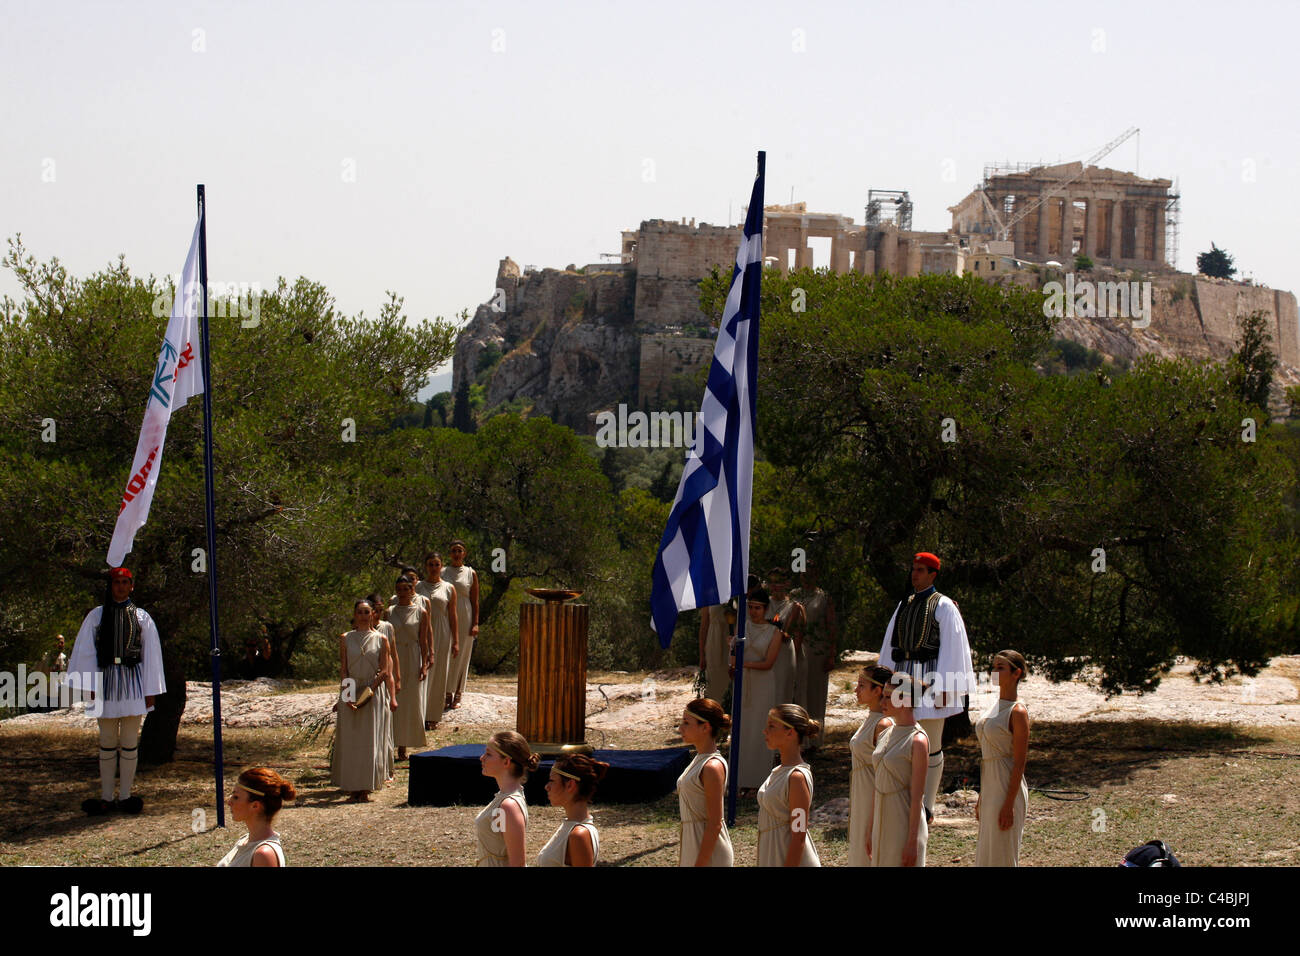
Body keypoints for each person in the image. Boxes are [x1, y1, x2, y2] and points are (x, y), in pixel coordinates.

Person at [877, 551, 974, 821]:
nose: (914, 574)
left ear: (933, 574)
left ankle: (927, 806)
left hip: (930, 678)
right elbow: (890, 644)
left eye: (921, 570)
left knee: (930, 743)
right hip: (903, 676)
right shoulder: (904, 604)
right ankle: (905, 799)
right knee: (903, 738)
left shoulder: (943, 605)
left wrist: (945, 687)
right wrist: (883, 680)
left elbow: (954, 646)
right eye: (913, 569)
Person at [66, 568, 165, 815]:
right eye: (116, 582)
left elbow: (151, 655)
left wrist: (150, 689)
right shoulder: (96, 616)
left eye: (125, 582)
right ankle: (106, 797)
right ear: (110, 586)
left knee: (130, 742)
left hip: (133, 682)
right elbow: (86, 651)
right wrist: (89, 686)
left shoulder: (142, 617)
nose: (120, 587)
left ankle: (126, 796)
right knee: (107, 742)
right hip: (105, 681)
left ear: (132, 586)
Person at [331, 600, 395, 801]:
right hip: (350, 688)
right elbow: (344, 668)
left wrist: (368, 692)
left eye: (367, 612)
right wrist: (349, 695)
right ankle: (352, 786)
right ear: (355, 614)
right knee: (351, 739)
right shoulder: (346, 638)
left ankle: (365, 787)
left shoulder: (381, 638)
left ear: (373, 614)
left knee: (369, 739)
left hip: (372, 691)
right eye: (360, 612)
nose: (363, 616)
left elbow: (385, 670)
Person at [975, 650, 1030, 866]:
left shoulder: (1017, 712)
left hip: (1007, 787)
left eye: (1000, 667)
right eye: (993, 666)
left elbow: (1019, 761)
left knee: (1002, 852)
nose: (994, 671)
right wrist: (982, 795)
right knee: (987, 850)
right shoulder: (994, 706)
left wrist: (1009, 804)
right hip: (990, 786)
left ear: (1016, 673)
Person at [871, 672, 929, 867]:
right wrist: (870, 827)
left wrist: (912, 841)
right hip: (882, 817)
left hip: (902, 820)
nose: (882, 702)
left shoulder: (918, 740)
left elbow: (917, 796)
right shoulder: (885, 733)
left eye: (888, 697)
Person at [756, 704, 821, 867]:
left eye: (771, 726)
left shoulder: (797, 778)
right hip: (772, 854)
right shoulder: (778, 771)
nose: (765, 731)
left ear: (790, 732)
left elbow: (799, 835)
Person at [676, 698, 734, 867]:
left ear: (705, 727)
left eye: (686, 723)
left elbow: (715, 822)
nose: (680, 728)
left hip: (710, 853)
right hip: (693, 843)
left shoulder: (711, 766)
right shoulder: (698, 760)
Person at [735, 589, 783, 791]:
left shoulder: (775, 631)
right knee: (742, 729)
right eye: (751, 607)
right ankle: (739, 779)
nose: (754, 611)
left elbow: (768, 663)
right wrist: (734, 659)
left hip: (763, 683)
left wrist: (743, 664)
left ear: (765, 609)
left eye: (758, 608)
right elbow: (731, 658)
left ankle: (758, 781)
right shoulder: (741, 627)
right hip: (743, 682)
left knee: (760, 728)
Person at [849, 665, 894, 866]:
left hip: (872, 796)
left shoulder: (883, 725)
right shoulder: (871, 719)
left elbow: (885, 773)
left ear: (878, 690)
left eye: (861, 685)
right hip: (861, 793)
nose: (856, 690)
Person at [793, 564, 838, 748]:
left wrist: (831, 653)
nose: (806, 576)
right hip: (797, 647)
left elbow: (831, 625)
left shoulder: (824, 597)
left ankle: (815, 738)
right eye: (803, 573)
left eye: (810, 573)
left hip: (817, 650)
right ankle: (798, 738)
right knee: (798, 691)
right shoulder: (794, 595)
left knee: (816, 693)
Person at [476, 731, 537, 867]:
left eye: (489, 754)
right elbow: (498, 838)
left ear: (506, 761)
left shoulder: (508, 806)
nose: (482, 758)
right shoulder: (504, 799)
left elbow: (518, 863)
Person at [389, 575, 432, 759]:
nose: (402, 593)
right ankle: (390, 741)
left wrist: (424, 663)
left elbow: (423, 640)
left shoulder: (421, 611)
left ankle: (404, 745)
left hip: (413, 655)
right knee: (393, 700)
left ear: (412, 589)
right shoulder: (389, 611)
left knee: (409, 701)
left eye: (406, 589)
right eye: (399, 589)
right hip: (394, 655)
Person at [218, 767, 296, 867]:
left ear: (255, 806)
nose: (229, 802)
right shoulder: (245, 840)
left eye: (236, 797)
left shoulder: (263, 854)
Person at [538, 753, 607, 867]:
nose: (547, 786)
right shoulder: (571, 826)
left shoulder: (578, 834)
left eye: (552, 780)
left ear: (570, 785)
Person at [419, 552, 459, 730]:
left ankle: (433, 715)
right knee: (422, 671)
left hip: (442, 631)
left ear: (441, 566)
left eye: (436, 564)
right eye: (430, 564)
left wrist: (456, 640)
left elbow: (453, 614)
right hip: (421, 630)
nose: (433, 568)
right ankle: (419, 712)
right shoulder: (418, 586)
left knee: (440, 673)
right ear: (426, 566)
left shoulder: (449, 588)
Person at [365, 592, 398, 782]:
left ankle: (386, 768)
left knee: (384, 728)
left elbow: (391, 659)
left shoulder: (385, 631)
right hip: (363, 685)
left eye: (378, 611)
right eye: (372, 611)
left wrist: (395, 684)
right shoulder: (353, 634)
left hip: (381, 684)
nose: (375, 615)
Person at [444, 540, 479, 709]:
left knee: (463, 654)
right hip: (446, 614)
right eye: (453, 550)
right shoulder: (443, 571)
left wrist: (475, 623)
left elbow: (475, 600)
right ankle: (446, 692)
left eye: (459, 550)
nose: (456, 553)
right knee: (447, 652)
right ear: (450, 554)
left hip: (465, 613)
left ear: (464, 553)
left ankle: (458, 692)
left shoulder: (470, 573)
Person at [765, 568, 802, 705]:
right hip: (765, 652)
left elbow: (798, 634)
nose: (775, 586)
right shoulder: (763, 604)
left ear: (786, 583)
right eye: (772, 582)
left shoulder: (794, 606)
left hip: (784, 653)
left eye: (779, 582)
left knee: (782, 692)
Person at [697, 605, 731, 703]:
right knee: (714, 682)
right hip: (714, 643)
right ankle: (713, 709)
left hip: (731, 641)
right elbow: (704, 626)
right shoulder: (708, 596)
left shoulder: (736, 594)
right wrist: (702, 655)